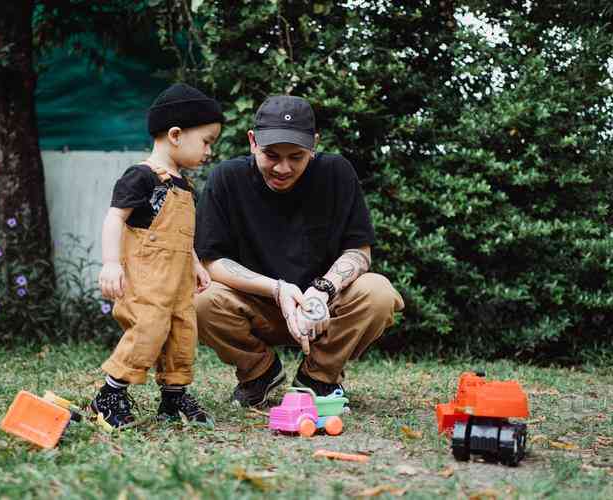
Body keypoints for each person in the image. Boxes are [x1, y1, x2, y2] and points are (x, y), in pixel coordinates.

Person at [194, 95, 404, 408]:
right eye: (271, 155)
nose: (283, 167)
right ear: (253, 142)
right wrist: (278, 289)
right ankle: (259, 373)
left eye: (296, 156)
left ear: (314, 145)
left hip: (323, 309)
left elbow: (359, 251)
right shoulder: (227, 178)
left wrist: (322, 290)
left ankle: (318, 377)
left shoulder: (337, 173)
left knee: (379, 293)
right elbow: (211, 262)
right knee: (199, 300)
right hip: (256, 305)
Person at [94, 83, 223, 427]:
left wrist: (195, 264)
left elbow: (181, 235)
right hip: (147, 281)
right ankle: (109, 395)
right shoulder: (142, 177)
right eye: (207, 141)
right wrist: (110, 263)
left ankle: (173, 399)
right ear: (177, 135)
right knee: (148, 330)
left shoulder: (184, 186)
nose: (209, 150)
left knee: (183, 334)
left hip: (178, 283)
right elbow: (114, 218)